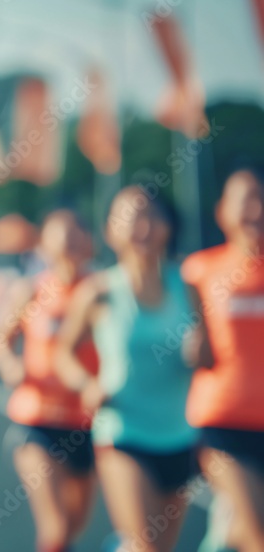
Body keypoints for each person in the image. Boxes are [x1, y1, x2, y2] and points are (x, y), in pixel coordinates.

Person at [55, 187, 199, 552]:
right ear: (110, 231)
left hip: (179, 435)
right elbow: (64, 353)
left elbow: (211, 356)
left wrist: (201, 352)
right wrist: (87, 384)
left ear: (168, 225)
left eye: (153, 215)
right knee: (146, 546)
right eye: (130, 216)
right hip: (123, 431)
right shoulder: (99, 291)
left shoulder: (189, 287)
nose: (144, 225)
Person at [0, 210, 98, 552]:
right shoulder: (32, 290)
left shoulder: (102, 291)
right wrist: (9, 365)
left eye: (77, 232)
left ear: (90, 241)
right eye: (59, 233)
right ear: (44, 243)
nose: (69, 240)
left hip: (88, 423)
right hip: (37, 421)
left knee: (74, 528)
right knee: (57, 526)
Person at [183, 167, 264, 551]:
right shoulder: (197, 271)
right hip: (222, 422)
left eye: (261, 197)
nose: (256, 207)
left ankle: (222, 537)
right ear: (222, 212)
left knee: (241, 530)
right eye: (245, 198)